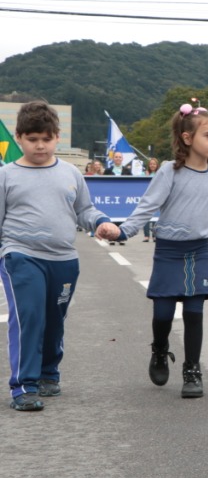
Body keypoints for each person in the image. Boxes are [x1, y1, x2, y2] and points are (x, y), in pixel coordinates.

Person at [111, 104, 208, 399]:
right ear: (187, 138)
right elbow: (147, 207)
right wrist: (123, 231)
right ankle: (160, 350)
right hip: (169, 251)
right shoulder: (170, 171)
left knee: (195, 312)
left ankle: (192, 369)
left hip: (199, 251)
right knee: (163, 314)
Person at [2, 101, 114, 411]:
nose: (40, 145)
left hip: (64, 260)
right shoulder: (6, 175)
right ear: (19, 138)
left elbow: (84, 210)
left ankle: (49, 373)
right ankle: (23, 386)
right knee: (29, 318)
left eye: (46, 139)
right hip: (21, 256)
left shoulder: (70, 173)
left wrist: (101, 222)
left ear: (57, 137)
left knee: (54, 321)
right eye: (32, 139)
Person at [142, 156, 161, 242]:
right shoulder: (144, 174)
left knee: (155, 217)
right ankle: (146, 236)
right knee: (146, 216)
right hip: (147, 197)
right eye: (151, 164)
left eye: (154, 164)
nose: (152, 165)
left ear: (157, 165)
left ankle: (154, 235)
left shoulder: (160, 174)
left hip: (157, 196)